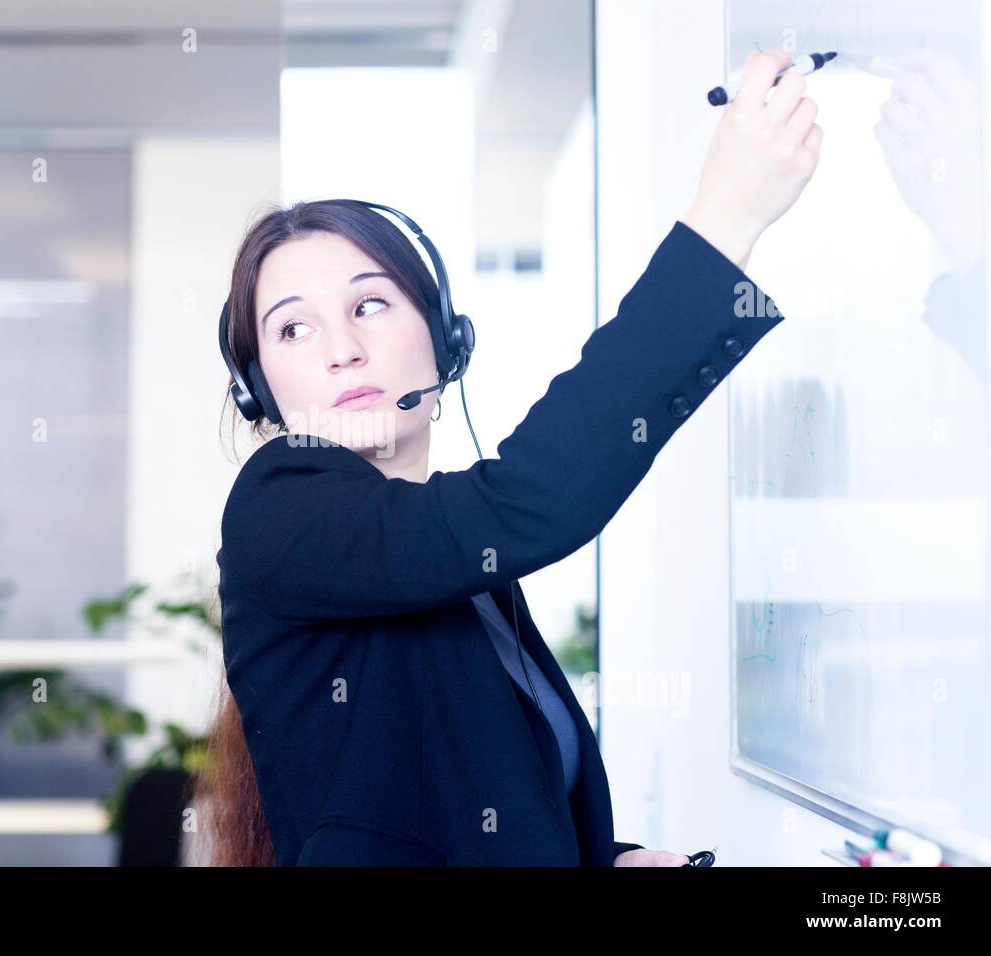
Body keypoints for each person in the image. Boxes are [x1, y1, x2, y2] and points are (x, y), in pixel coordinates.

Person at [195, 49, 822, 866]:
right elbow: (533, 497)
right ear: (261, 391)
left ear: (446, 337)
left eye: (369, 304)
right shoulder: (275, 507)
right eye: (294, 327)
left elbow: (457, 821)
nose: (341, 349)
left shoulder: (465, 578)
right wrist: (723, 219)